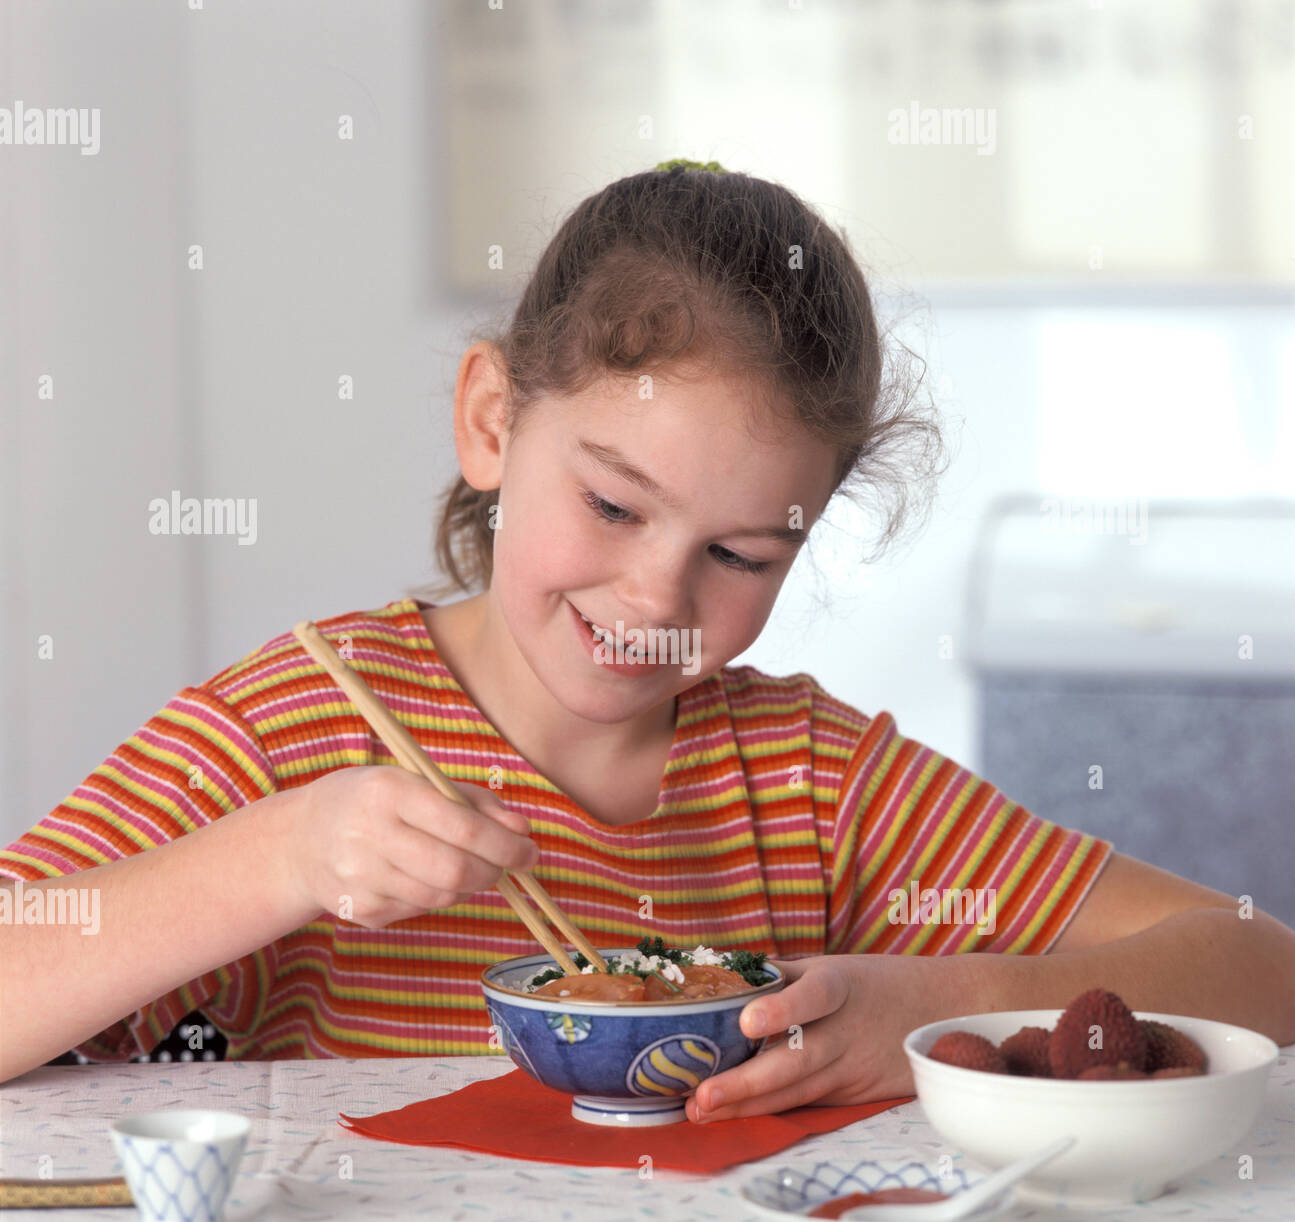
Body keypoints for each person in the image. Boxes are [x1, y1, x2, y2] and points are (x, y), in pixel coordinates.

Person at [2, 161, 1292, 1107]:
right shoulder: (308, 722)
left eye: (740, 556)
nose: (658, 601)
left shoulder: (808, 780)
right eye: (614, 504)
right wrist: (278, 858)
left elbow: (1262, 968)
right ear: (493, 423)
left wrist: (927, 1003)